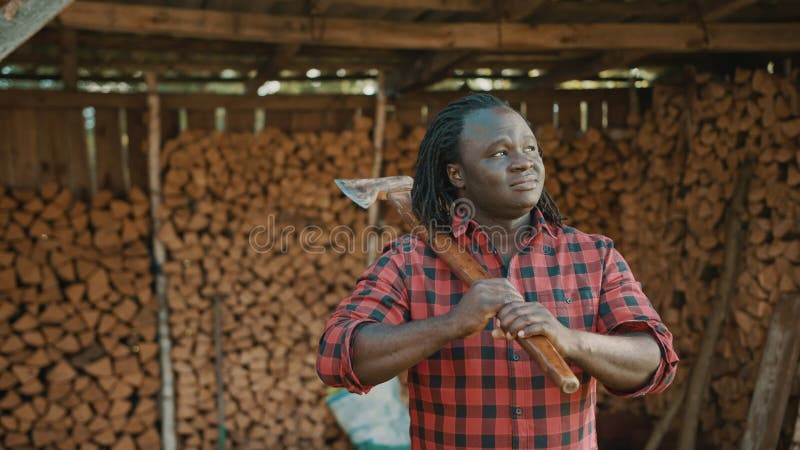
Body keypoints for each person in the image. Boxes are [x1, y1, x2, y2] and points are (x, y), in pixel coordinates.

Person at [317, 93, 678, 449]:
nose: (524, 162)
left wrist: (570, 340)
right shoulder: (409, 260)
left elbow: (655, 361)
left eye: (531, 149)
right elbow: (336, 357)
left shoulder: (594, 256)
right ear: (456, 173)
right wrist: (451, 325)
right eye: (500, 153)